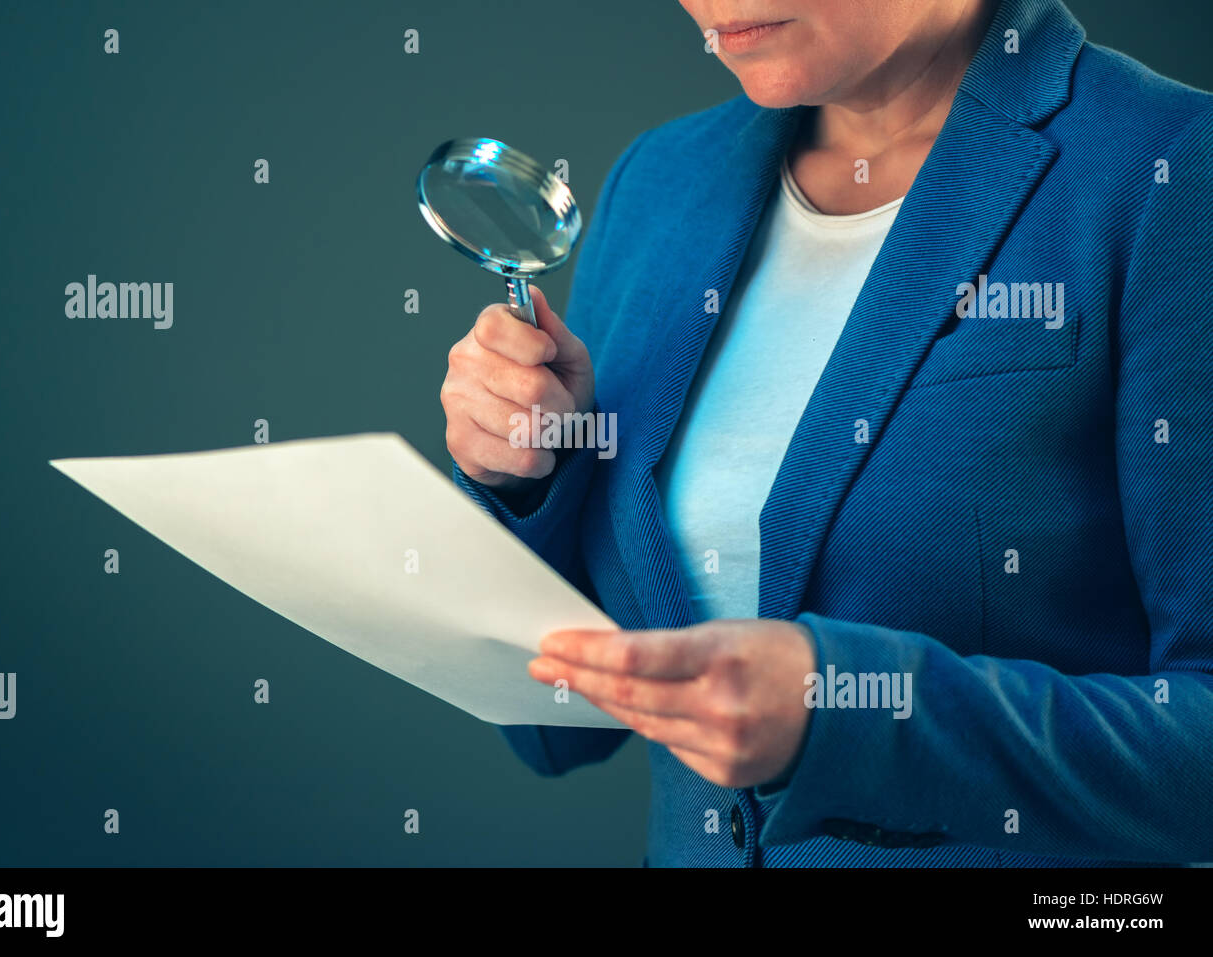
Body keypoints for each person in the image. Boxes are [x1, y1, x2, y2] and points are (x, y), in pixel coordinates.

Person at [440, 0, 1213, 866]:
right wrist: (528, 484)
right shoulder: (658, 182)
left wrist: (849, 712)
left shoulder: (1172, 165)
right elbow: (556, 736)